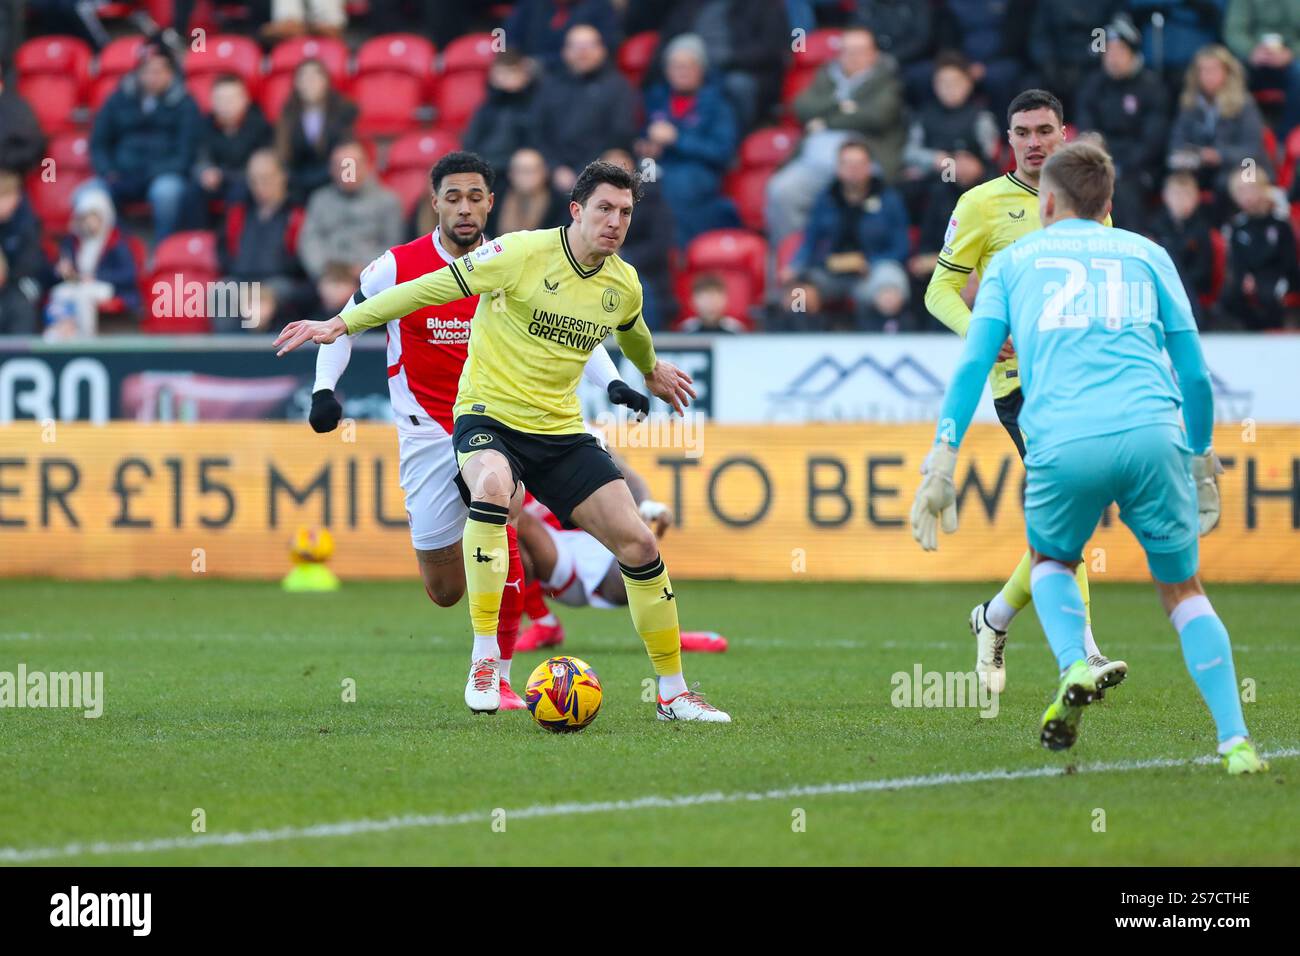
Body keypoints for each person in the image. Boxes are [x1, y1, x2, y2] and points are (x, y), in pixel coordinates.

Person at [275, 160, 730, 723]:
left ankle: (673, 694)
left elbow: (631, 328)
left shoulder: (622, 282)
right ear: (577, 211)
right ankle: (486, 661)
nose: (614, 222)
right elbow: (428, 288)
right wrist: (341, 325)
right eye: (604, 209)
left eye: (625, 212)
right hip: (485, 417)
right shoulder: (517, 253)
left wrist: (649, 370)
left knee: (640, 544)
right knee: (489, 501)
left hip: (557, 429)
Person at [911, 141, 1269, 775]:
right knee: (1184, 592)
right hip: (1154, 433)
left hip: (1063, 436)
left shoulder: (1014, 262)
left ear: (1046, 201)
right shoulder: (1147, 252)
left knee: (1052, 559)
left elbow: (974, 364)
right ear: (1107, 204)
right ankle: (1236, 742)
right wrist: (1203, 456)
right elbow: (1195, 374)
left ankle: (1074, 661)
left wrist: (943, 455)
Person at [925, 89, 1126, 694]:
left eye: (1044, 130)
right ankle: (1083, 655)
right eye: (1022, 132)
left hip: (1081, 379)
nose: (1034, 141)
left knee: (1073, 516)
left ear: (1065, 133)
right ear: (1007, 140)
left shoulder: (1091, 205)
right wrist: (984, 333)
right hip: (1023, 387)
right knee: (1072, 509)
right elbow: (938, 290)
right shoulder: (981, 204)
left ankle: (995, 616)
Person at [514, 442, 727, 654]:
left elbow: (627, 478)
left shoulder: (574, 426)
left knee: (640, 564)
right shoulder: (502, 433)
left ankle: (669, 638)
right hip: (546, 560)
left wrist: (648, 507)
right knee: (506, 515)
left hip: (597, 545)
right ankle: (542, 623)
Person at [764, 26, 906, 243]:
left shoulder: (887, 81)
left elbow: (877, 117)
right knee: (781, 191)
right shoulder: (826, 76)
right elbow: (801, 107)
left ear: (874, 54)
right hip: (814, 164)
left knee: (857, 203)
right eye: (847, 51)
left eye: (860, 51)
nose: (853, 57)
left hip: (863, 163)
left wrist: (825, 120)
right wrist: (844, 104)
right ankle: (794, 260)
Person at [779, 137, 910, 331]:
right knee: (798, 297)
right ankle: (804, 352)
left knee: (889, 295)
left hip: (872, 272)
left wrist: (870, 262)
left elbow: (901, 247)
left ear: (869, 167)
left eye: (859, 164)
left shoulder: (888, 198)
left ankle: (884, 349)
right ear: (838, 168)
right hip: (830, 273)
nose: (853, 169)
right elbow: (810, 240)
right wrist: (796, 266)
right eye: (847, 164)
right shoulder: (826, 198)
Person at [89, 40, 200, 240]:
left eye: (159, 71)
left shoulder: (185, 103)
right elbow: (99, 142)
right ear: (138, 72)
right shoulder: (118, 98)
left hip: (163, 174)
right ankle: (117, 252)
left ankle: (163, 250)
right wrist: (108, 171)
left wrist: (153, 173)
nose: (152, 77)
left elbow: (186, 153)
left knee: (166, 192)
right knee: (87, 195)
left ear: (171, 74)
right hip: (122, 174)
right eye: (147, 71)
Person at [637, 34, 739, 245]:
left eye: (688, 65)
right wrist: (645, 146)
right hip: (656, 165)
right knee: (622, 184)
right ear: (666, 70)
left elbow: (722, 152)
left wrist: (677, 139)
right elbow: (641, 134)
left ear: (701, 69)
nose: (681, 71)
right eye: (675, 66)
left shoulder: (718, 103)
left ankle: (676, 257)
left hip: (697, 171)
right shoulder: (656, 97)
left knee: (677, 188)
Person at [1074, 15, 1169, 229]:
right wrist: (1094, 144)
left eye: (1119, 51)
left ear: (1133, 54)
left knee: (1124, 191)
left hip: (1139, 167)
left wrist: (1120, 165)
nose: (1113, 58)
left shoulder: (1152, 87)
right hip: (1100, 161)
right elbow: (1086, 124)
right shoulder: (1094, 84)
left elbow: (1153, 141)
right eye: (1108, 51)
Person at [530, 23, 638, 195]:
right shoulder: (550, 85)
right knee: (526, 162)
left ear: (602, 50)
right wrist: (555, 167)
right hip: (555, 170)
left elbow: (620, 134)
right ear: (565, 51)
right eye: (576, 46)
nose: (582, 52)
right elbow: (537, 131)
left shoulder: (618, 86)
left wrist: (584, 170)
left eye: (589, 46)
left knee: (617, 160)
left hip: (598, 168)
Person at [1167, 45, 1274, 201]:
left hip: (1243, 165)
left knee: (1237, 180)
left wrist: (1219, 155)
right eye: (1202, 70)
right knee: (1177, 183)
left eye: (1213, 70)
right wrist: (1192, 155)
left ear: (1227, 72)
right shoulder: (1189, 104)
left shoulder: (1244, 103)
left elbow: (1252, 150)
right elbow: (1176, 142)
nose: (1207, 75)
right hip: (1202, 168)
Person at [297, 140, 403, 283]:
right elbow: (309, 240)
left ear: (366, 166)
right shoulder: (320, 200)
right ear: (332, 169)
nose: (347, 172)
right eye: (341, 166)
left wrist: (362, 271)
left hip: (370, 280)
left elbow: (394, 246)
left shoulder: (387, 201)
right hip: (325, 278)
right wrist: (324, 271)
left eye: (352, 166)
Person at [45, 187, 139, 338]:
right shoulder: (72, 241)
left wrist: (96, 277)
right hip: (78, 284)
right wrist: (62, 271)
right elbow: (59, 271)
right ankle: (59, 331)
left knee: (84, 295)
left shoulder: (117, 242)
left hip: (107, 287)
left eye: (93, 217)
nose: (88, 222)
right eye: (84, 217)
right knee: (60, 293)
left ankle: (86, 337)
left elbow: (128, 275)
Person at [1219, 170, 1300, 331]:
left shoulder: (1280, 223)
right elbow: (1236, 259)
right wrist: (1245, 277)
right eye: (1240, 191)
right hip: (1251, 276)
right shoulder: (1237, 226)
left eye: (1250, 189)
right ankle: (1253, 329)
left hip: (1278, 275)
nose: (1246, 196)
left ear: (1263, 189)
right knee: (1229, 297)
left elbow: (1288, 260)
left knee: (1269, 295)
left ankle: (1274, 331)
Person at [275, 59, 358, 205]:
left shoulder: (344, 111)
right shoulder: (288, 116)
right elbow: (283, 157)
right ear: (296, 84)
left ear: (325, 81)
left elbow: (349, 154)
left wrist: (348, 186)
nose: (309, 82)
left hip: (335, 187)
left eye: (315, 76)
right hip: (298, 188)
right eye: (304, 77)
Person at [1146, 171, 1216, 324]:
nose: (1182, 200)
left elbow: (1204, 269)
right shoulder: (1155, 226)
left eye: (1187, 195)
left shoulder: (1201, 229)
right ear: (1166, 196)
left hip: (1192, 286)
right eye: (1177, 195)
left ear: (1197, 198)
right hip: (1163, 285)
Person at [195, 74, 273, 210]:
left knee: (241, 190)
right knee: (192, 188)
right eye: (221, 99)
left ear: (245, 99)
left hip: (245, 181)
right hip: (215, 181)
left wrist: (224, 175)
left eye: (231, 99)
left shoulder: (259, 125)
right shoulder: (205, 124)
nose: (226, 105)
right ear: (212, 101)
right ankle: (197, 231)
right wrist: (205, 171)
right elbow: (201, 157)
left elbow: (261, 166)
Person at [463, 50, 541, 178]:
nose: (503, 78)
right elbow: (471, 142)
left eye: (510, 72)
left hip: (516, 170)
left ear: (524, 74)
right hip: (485, 168)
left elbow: (536, 142)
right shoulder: (486, 106)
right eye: (499, 73)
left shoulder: (534, 104)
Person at [486, 148, 569, 237]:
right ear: (510, 174)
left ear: (544, 173)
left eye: (531, 171)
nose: (525, 177)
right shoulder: (497, 197)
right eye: (520, 171)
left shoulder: (558, 204)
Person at [678, 273, 746, 333]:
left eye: (715, 298)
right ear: (692, 302)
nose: (711, 304)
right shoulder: (685, 331)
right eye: (705, 299)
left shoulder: (736, 330)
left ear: (726, 300)